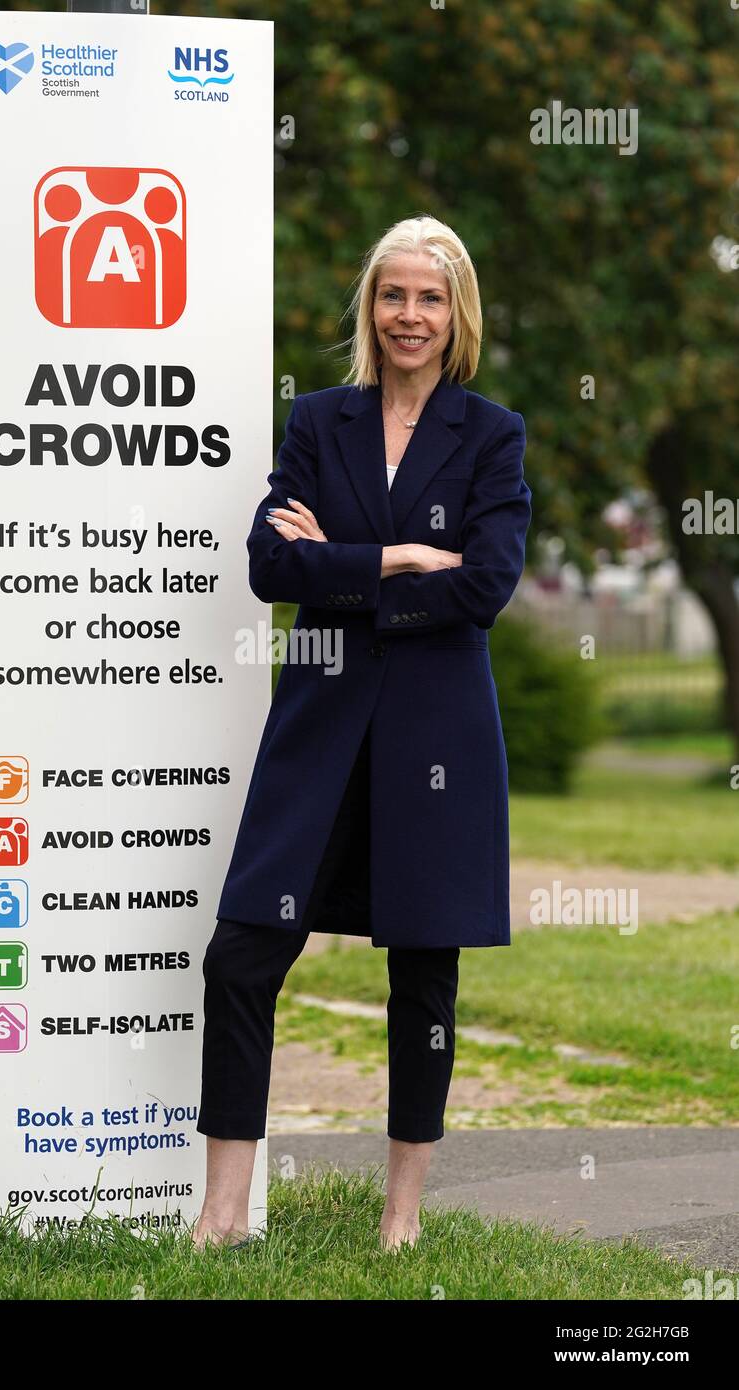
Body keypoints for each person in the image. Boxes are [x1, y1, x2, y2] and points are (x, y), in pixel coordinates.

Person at [191, 215, 531, 1252]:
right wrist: (392, 559)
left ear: (455, 313)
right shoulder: (318, 421)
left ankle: (401, 1219)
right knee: (243, 953)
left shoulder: (492, 433)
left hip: (438, 736)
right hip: (319, 724)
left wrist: (338, 558)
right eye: (393, 295)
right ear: (369, 309)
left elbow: (483, 585)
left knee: (422, 971)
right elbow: (267, 565)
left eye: (430, 298)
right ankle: (220, 1217)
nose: (409, 316)